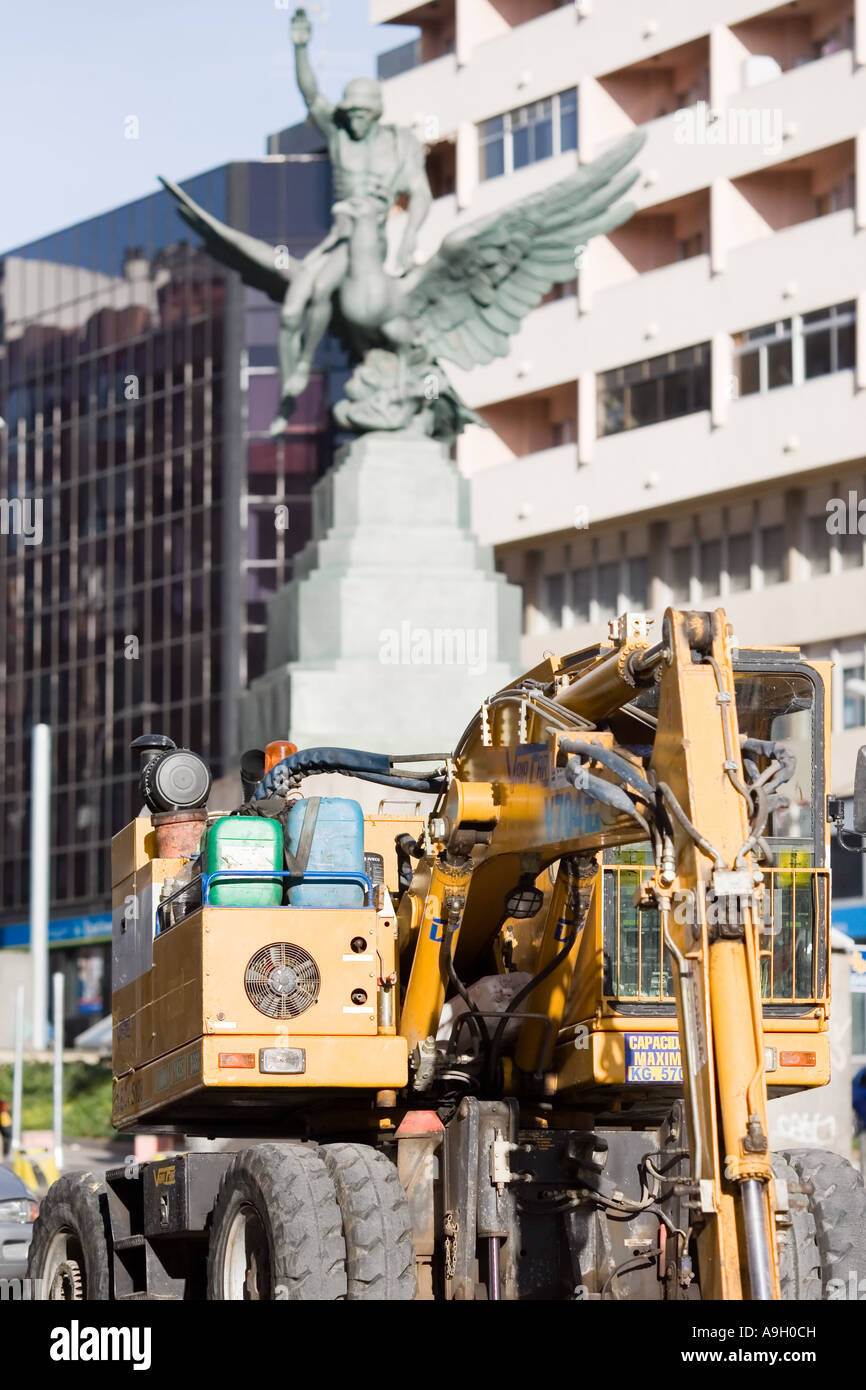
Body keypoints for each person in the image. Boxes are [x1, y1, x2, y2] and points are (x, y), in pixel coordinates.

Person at [271, 9, 432, 431]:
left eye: (363, 113)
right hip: (336, 238)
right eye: (352, 112)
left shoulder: (399, 145)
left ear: (376, 113)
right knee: (293, 310)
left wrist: (408, 239)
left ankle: (307, 363)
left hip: (367, 240)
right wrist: (301, 47)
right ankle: (294, 380)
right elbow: (311, 95)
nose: (356, 119)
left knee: (322, 290)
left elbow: (421, 193)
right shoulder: (339, 136)